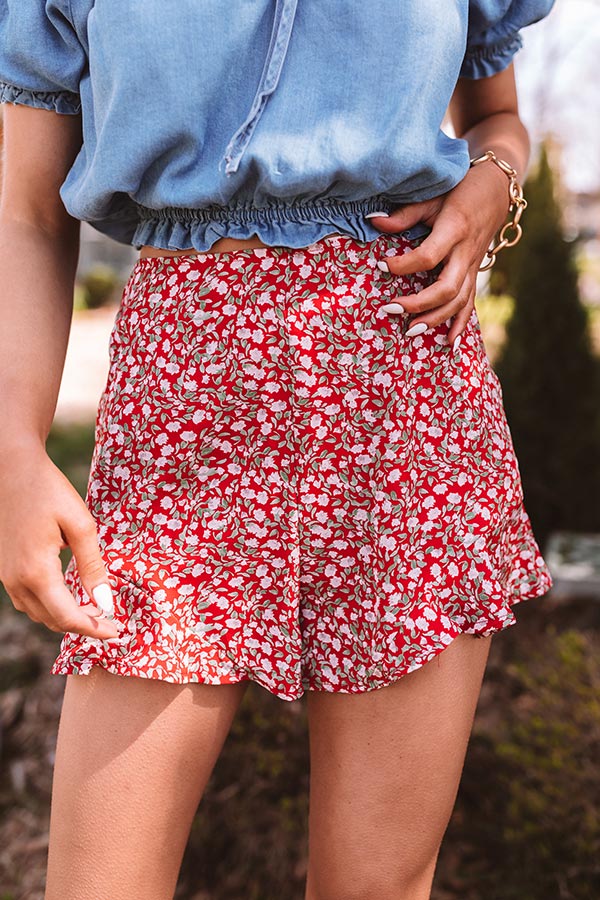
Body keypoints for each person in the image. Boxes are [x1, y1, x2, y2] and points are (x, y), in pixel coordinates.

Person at [0, 2, 556, 898]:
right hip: (182, 420)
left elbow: (497, 116)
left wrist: (494, 179)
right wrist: (12, 450)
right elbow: (27, 211)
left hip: (408, 402)